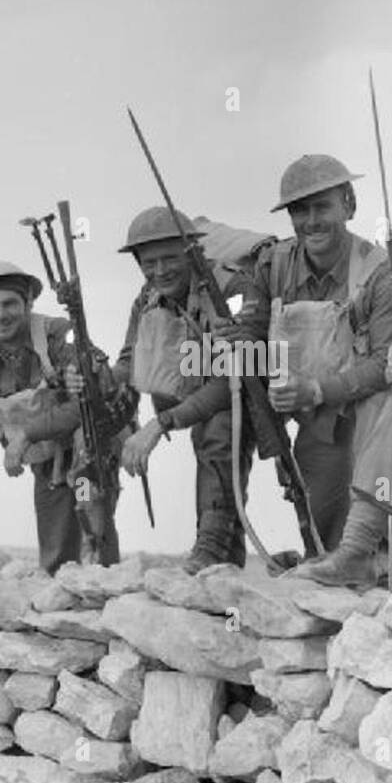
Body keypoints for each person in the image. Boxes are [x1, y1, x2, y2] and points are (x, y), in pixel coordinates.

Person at [217, 154, 392, 588]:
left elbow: (387, 365)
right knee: (320, 548)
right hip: (306, 423)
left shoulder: (379, 272)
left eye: (323, 207)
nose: (311, 221)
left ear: (349, 205)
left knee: (359, 547)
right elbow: (254, 333)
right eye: (301, 210)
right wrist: (238, 344)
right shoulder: (273, 265)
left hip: (363, 421)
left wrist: (316, 390)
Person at [71, 207, 259, 574]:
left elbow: (233, 380)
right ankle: (223, 571)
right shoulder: (147, 298)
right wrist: (97, 378)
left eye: (170, 258)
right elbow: (130, 363)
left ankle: (210, 548)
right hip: (187, 391)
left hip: (246, 389)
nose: (160, 271)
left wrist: (159, 425)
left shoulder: (235, 288)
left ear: (193, 251)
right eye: (149, 263)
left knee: (218, 433)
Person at [0, 259, 125, 572]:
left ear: (29, 302)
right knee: (56, 547)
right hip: (47, 456)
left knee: (89, 507)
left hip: (89, 443)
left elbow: (94, 396)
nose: (0, 314)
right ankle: (64, 595)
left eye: (10, 303)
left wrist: (26, 435)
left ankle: (104, 579)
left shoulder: (61, 334)